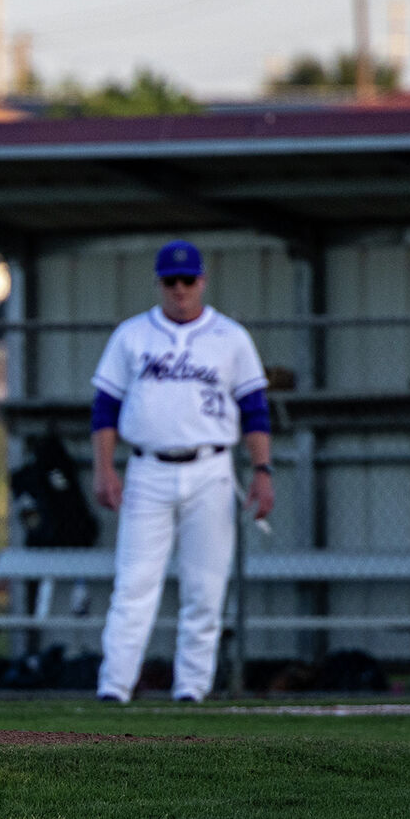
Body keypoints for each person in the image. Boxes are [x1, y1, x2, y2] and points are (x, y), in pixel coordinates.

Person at [90, 240, 274, 702]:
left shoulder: (230, 337)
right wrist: (104, 468)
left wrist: (262, 469)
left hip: (211, 468)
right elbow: (105, 408)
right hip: (147, 468)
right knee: (133, 584)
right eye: (171, 281)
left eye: (188, 280)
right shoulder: (132, 335)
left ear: (202, 281)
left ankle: (191, 688)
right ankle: (114, 687)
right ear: (158, 284)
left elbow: (255, 409)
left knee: (205, 587)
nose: (180, 289)